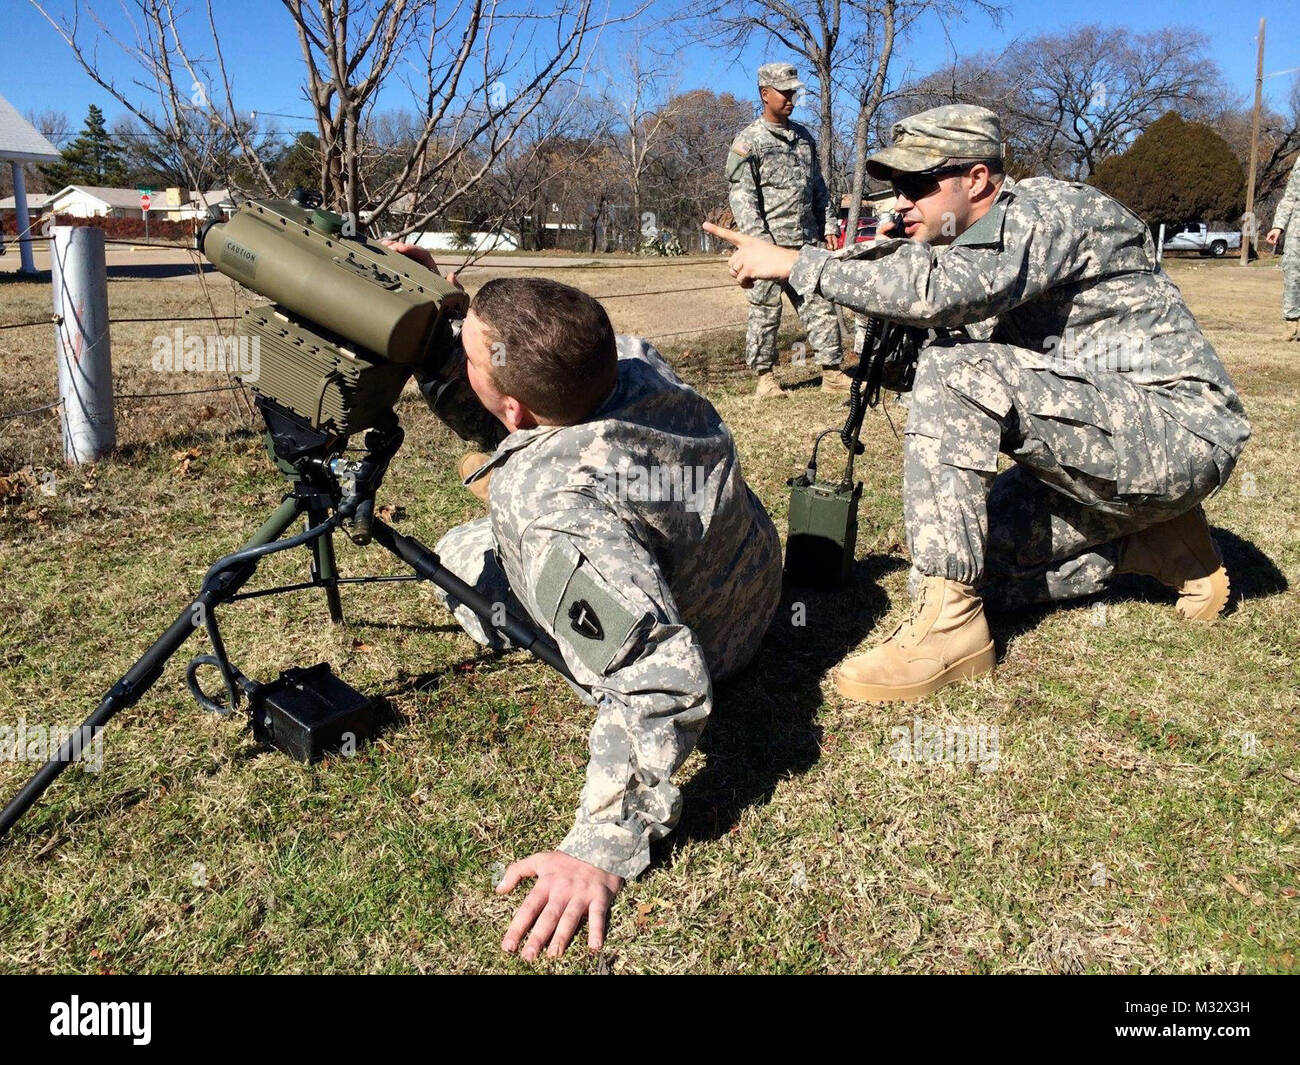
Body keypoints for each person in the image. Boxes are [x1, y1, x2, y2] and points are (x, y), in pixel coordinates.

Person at [705, 104, 1250, 703]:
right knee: (977, 561)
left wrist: (793, 262)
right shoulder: (971, 247)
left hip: (1178, 434)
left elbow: (939, 295)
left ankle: (949, 628)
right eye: (895, 188)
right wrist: (879, 261)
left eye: (917, 184)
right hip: (1109, 444)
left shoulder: (1048, 213)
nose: (900, 201)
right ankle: (1145, 544)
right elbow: (929, 329)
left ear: (978, 180)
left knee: (959, 373)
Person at [388, 248, 784, 958]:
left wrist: (601, 845)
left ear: (514, 409)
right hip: (749, 584)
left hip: (711, 643)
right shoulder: (632, 361)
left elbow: (662, 676)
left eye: (469, 356)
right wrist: (448, 316)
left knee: (460, 548)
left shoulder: (552, 508)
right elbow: (516, 398)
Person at [725, 61, 848, 398]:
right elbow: (742, 197)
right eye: (785, 91)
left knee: (820, 306)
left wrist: (830, 225)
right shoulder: (749, 141)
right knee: (765, 312)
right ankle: (765, 378)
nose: (792, 97)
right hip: (767, 247)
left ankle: (833, 372)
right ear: (765, 94)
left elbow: (820, 188)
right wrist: (758, 245)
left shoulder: (805, 138)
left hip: (805, 246)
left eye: (795, 91)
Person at [1265, 153, 1300, 341]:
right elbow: (1290, 196)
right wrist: (1278, 227)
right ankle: (1291, 324)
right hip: (1296, 229)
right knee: (1292, 274)